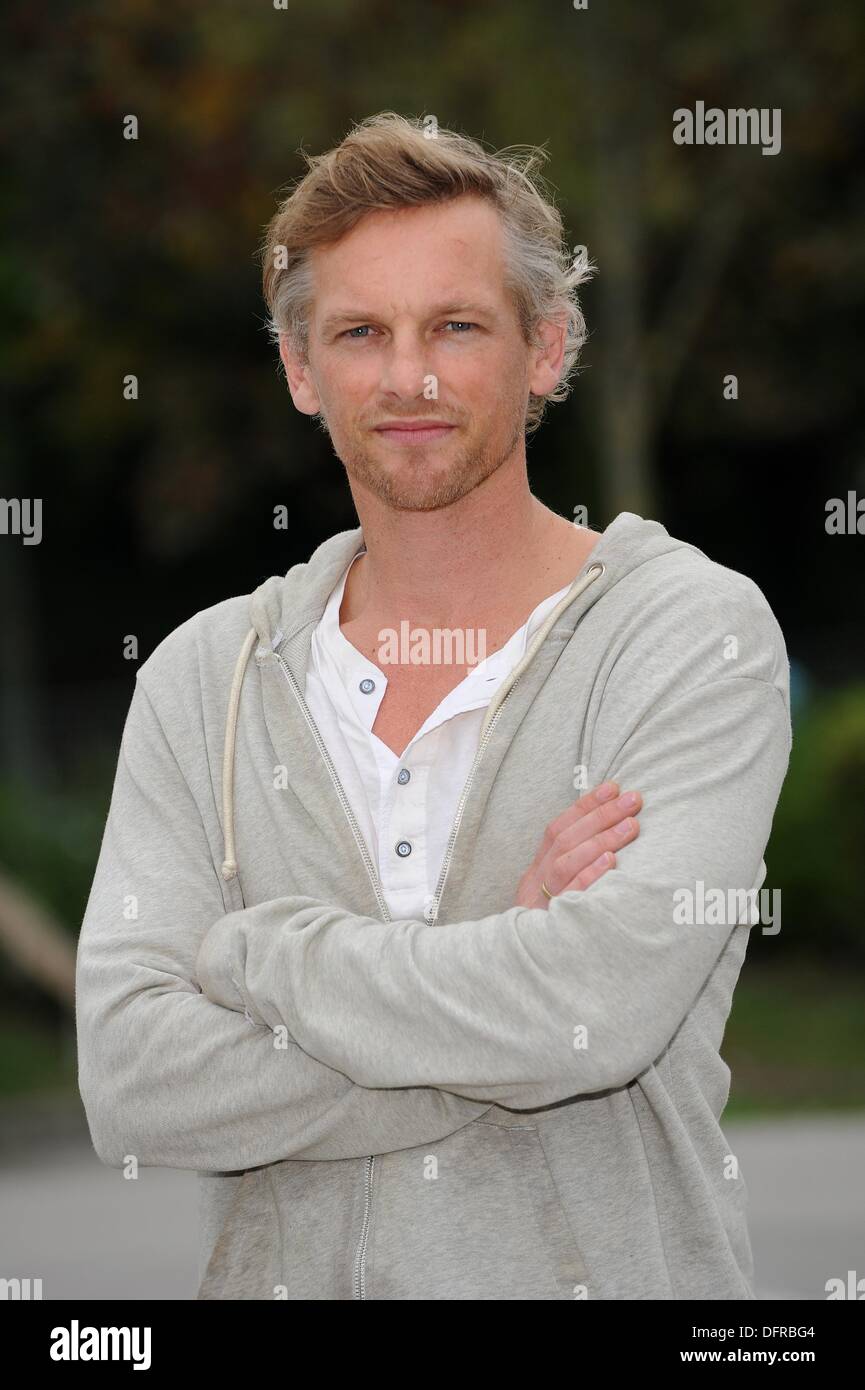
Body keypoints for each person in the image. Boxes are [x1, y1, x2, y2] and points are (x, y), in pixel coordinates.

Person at [76, 112, 792, 1300]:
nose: (409, 376)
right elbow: (133, 1084)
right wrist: (486, 971)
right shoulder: (202, 679)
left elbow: (596, 1012)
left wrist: (261, 956)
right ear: (302, 370)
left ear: (547, 349)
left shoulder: (686, 634)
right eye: (361, 331)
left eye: (456, 325)